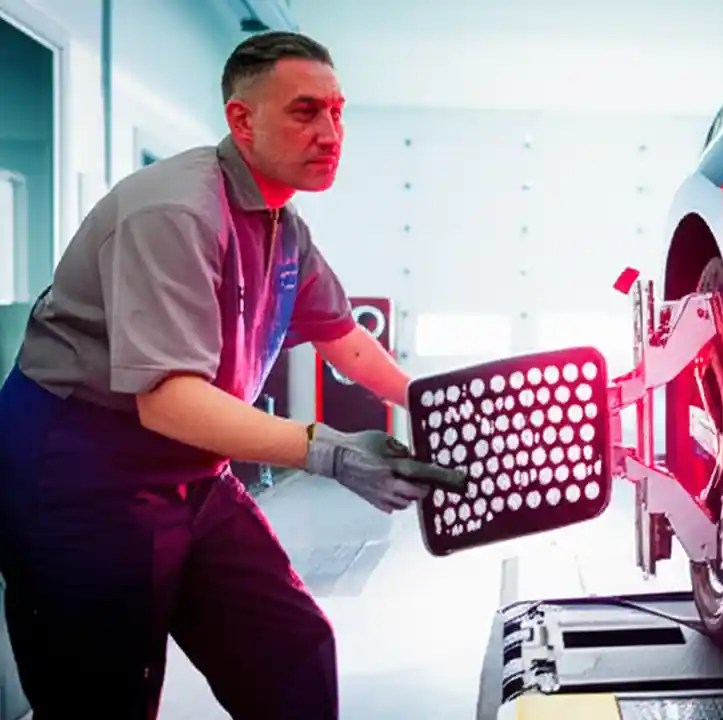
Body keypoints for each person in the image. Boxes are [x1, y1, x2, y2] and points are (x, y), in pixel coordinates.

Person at [0, 31, 457, 719]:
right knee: (105, 692)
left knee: (291, 649)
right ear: (242, 120)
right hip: (79, 476)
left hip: (193, 474)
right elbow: (169, 403)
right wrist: (330, 452)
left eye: (338, 111)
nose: (331, 132)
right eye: (306, 111)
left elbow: (343, 338)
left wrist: (449, 401)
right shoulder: (175, 211)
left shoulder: (283, 226)